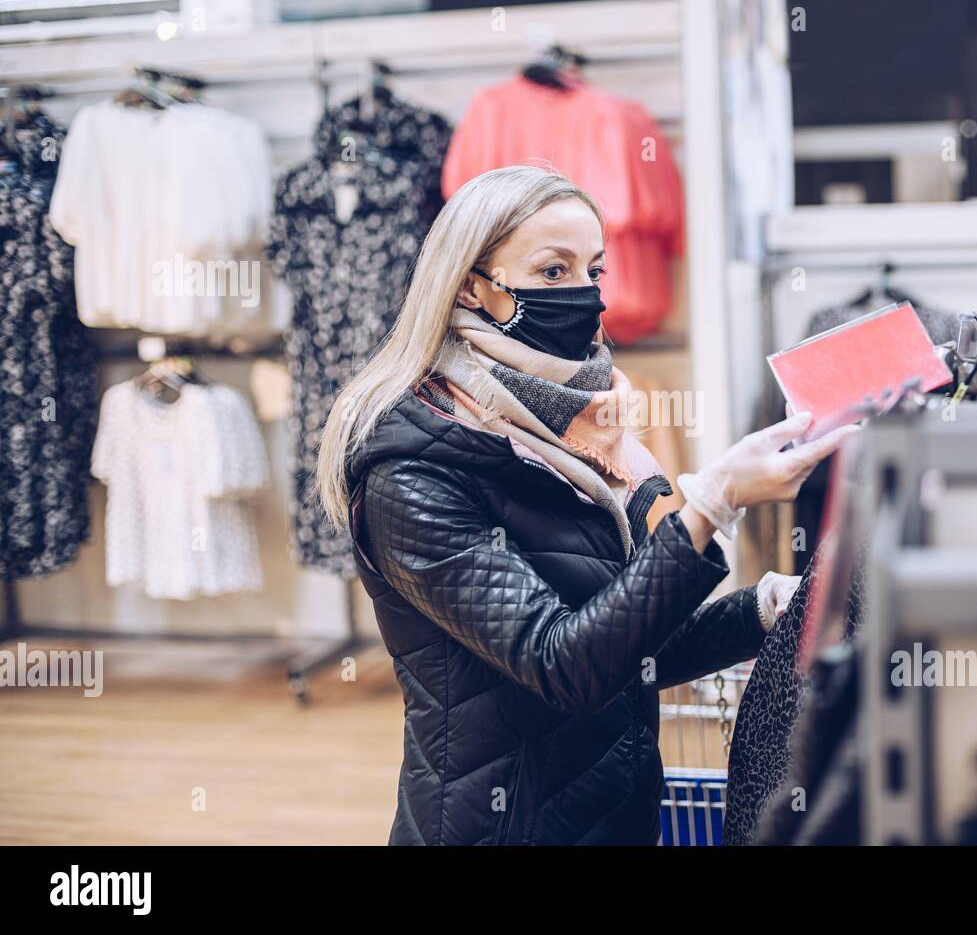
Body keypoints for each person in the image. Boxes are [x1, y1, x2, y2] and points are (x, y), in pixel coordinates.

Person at [316, 164, 859, 845]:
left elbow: (630, 651)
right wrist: (712, 504)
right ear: (472, 288)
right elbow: (562, 665)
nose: (583, 295)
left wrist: (761, 609)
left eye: (594, 271)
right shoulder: (413, 476)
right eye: (552, 272)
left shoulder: (591, 438)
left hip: (611, 816)